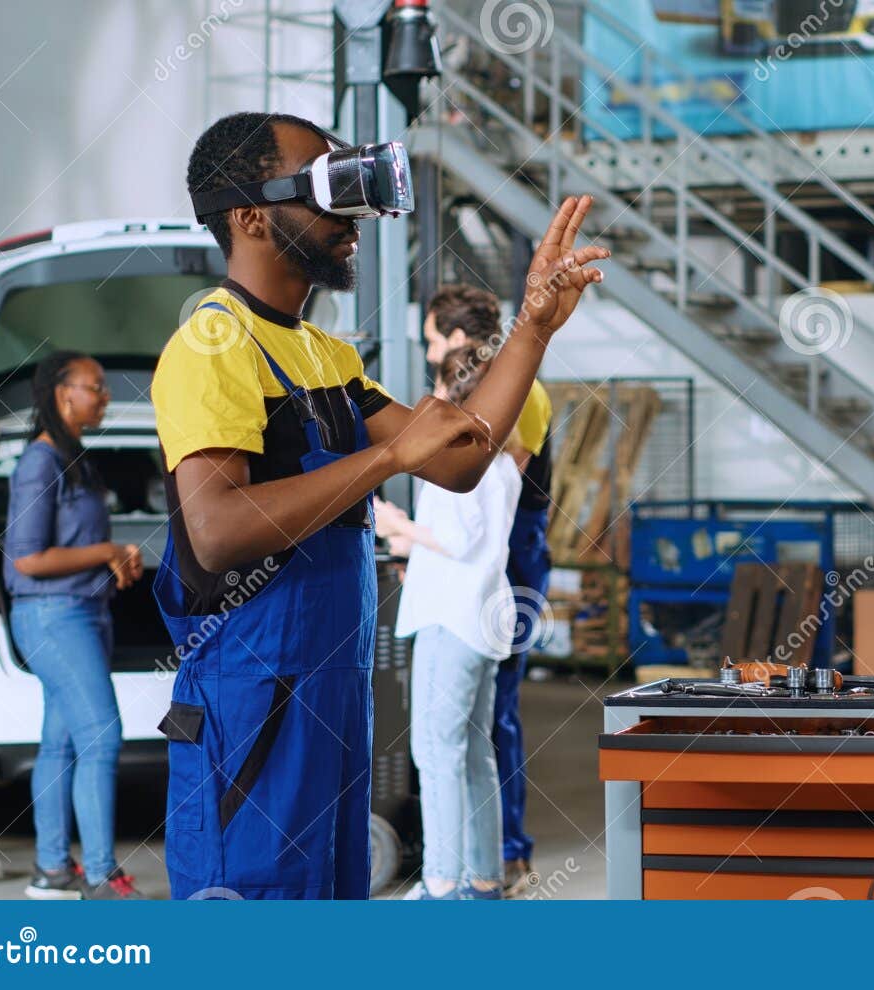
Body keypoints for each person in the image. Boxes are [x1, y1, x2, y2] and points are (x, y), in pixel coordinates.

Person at [150, 110, 606, 900]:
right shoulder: (211, 347)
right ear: (250, 215)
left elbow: (461, 461)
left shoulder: (325, 355)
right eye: (327, 192)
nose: (353, 216)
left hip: (331, 704)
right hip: (250, 714)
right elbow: (218, 530)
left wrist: (533, 326)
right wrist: (387, 458)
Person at [419, 285, 551, 896]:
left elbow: (482, 495)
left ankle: (483, 865)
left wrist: (420, 535)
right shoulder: (507, 388)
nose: (429, 355)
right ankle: (485, 871)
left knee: (483, 724)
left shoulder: (515, 395)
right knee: (478, 731)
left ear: (457, 342)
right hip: (495, 563)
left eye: (433, 342)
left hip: (508, 561)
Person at [4, 351, 146, 900]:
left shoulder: (72, 458)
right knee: (101, 736)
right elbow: (27, 558)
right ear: (64, 394)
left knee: (60, 744)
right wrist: (107, 550)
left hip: (82, 612)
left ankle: (53, 872)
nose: (105, 397)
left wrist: (112, 556)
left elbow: (71, 543)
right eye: (97, 387)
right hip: (53, 617)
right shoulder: (39, 462)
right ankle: (101, 877)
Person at [393, 347, 521, 899]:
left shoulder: (460, 462)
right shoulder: (503, 462)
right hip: (482, 617)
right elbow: (474, 542)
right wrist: (417, 549)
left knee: (435, 752)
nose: (435, 398)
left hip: (451, 619)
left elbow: (458, 538)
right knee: (473, 752)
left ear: (458, 397)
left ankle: (441, 884)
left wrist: (397, 525)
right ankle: (484, 879)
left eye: (442, 387)